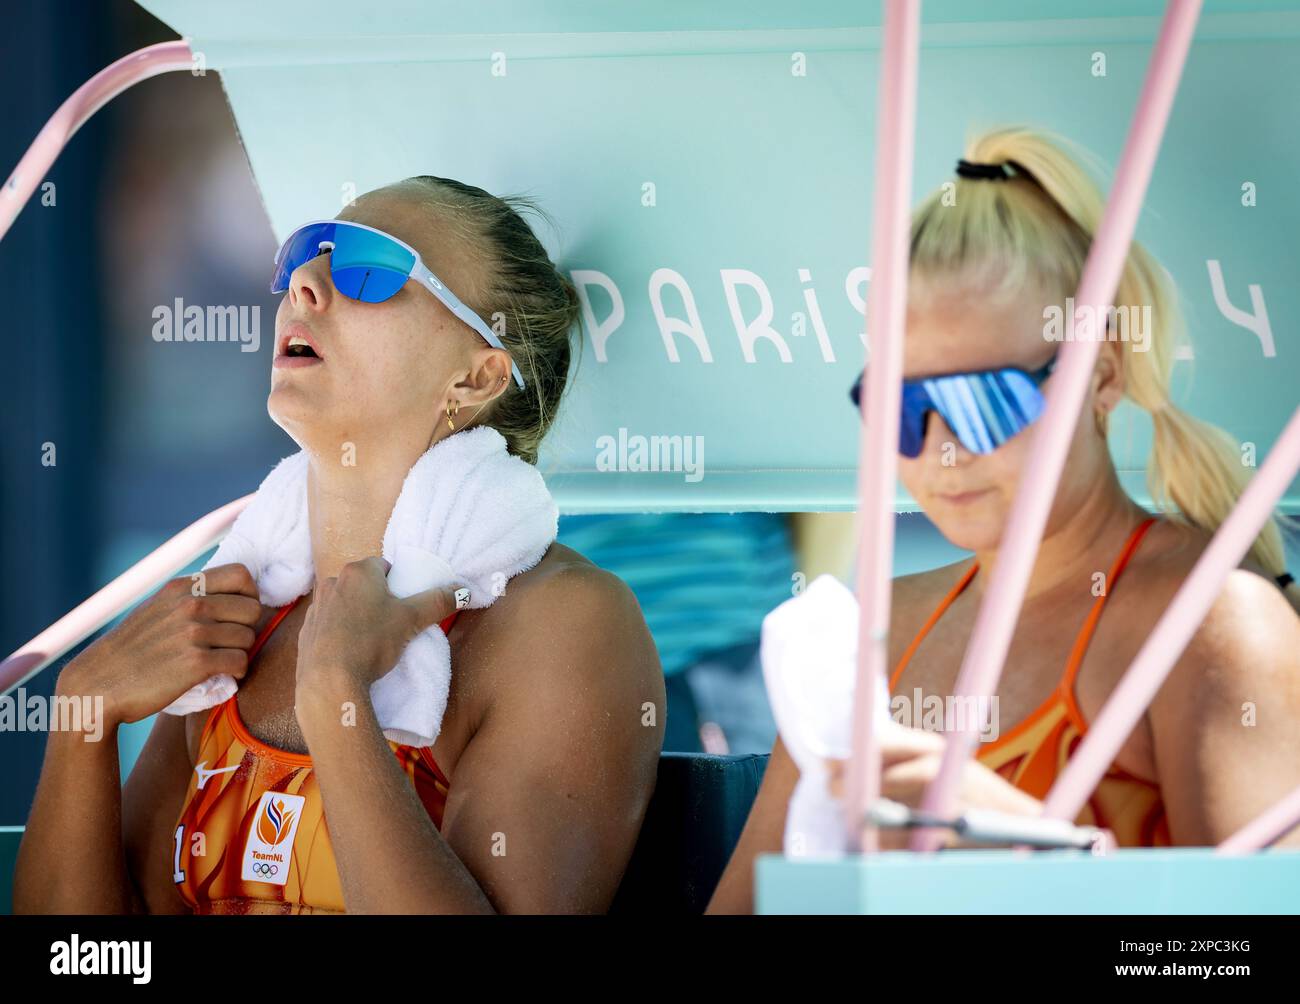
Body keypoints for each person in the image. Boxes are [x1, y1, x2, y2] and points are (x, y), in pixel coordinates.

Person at [15, 176, 665, 914]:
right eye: (303, 255)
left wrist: (335, 696)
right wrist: (83, 714)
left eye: (370, 269)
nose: (305, 284)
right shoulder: (237, 617)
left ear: (477, 374)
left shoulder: (563, 625)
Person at [708, 126, 1300, 914]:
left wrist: (1041, 861)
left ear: (1102, 373)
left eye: (983, 402)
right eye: (901, 405)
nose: (940, 451)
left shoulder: (1211, 623)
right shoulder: (872, 637)